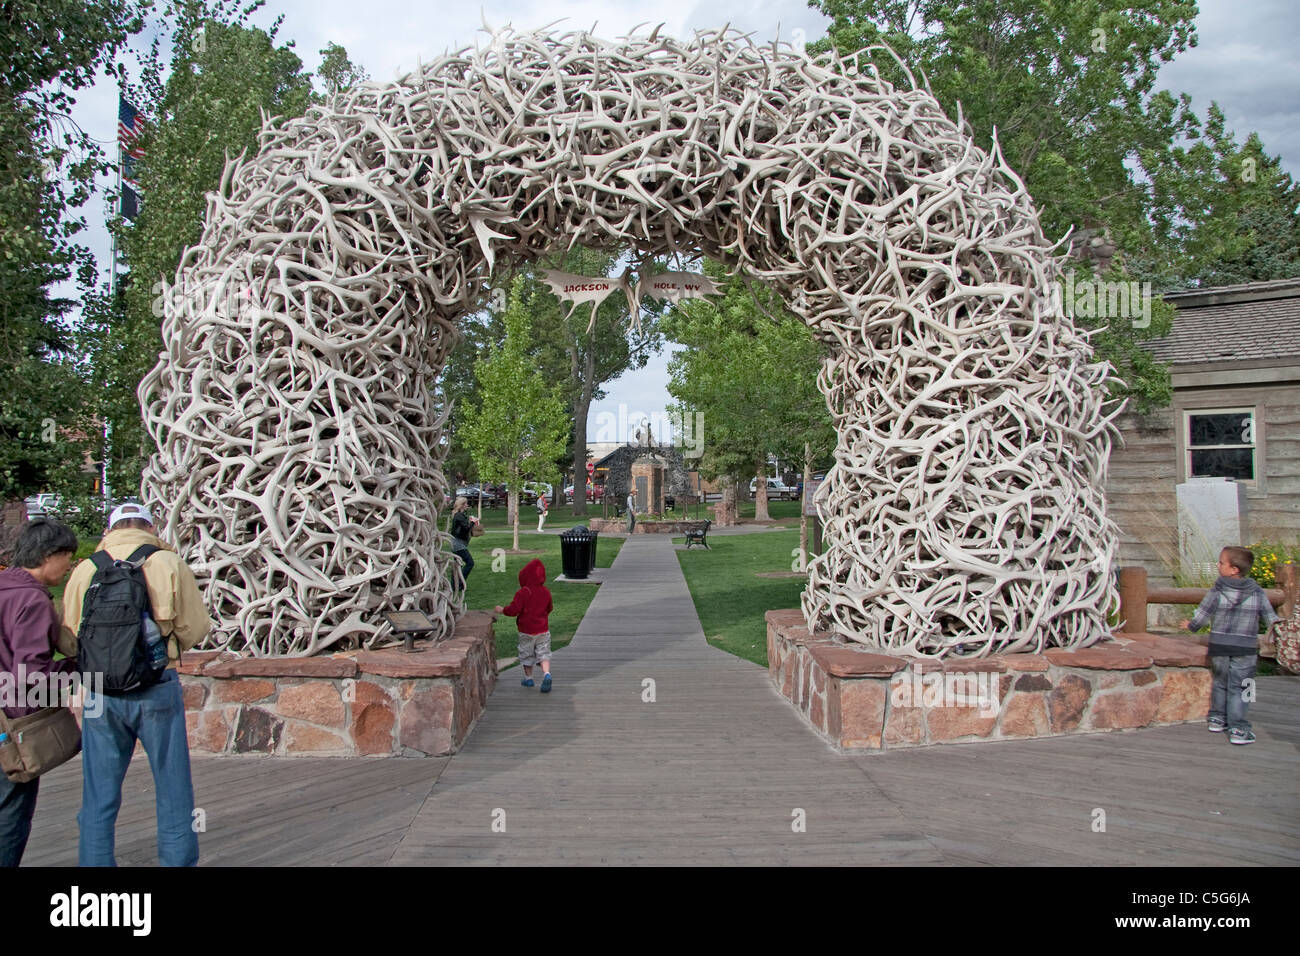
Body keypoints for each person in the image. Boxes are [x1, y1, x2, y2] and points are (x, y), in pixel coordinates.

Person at [60, 502, 212, 866]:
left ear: (110, 530)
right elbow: (197, 627)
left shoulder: (86, 569)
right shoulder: (167, 563)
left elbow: (68, 638)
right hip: (156, 685)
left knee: (99, 793)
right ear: (150, 526)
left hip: (99, 692)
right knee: (173, 788)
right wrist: (165, 646)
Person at [0, 518, 79, 867]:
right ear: (49, 556)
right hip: (13, 726)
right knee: (10, 815)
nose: (70, 566)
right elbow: (31, 675)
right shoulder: (31, 601)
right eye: (68, 557)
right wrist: (76, 670)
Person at [1180, 546, 1277, 746]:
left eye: (1221, 562)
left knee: (1220, 681)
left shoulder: (1217, 590)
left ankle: (1217, 718)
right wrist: (1280, 634)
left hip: (1220, 645)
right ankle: (1239, 728)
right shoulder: (1257, 591)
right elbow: (1270, 617)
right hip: (1246, 648)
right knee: (1242, 687)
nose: (1218, 565)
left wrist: (1192, 626)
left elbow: (1203, 613)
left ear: (1234, 569)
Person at [494, 558, 555, 692]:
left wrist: (502, 610)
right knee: (544, 652)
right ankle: (546, 674)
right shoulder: (546, 591)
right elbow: (549, 608)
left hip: (526, 630)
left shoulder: (523, 593)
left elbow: (514, 610)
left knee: (526, 653)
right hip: (543, 630)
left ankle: (529, 679)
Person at [449, 496, 479, 589]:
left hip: (456, 543)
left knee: (457, 565)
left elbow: (464, 527)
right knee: (470, 563)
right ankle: (460, 583)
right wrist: (473, 522)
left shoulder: (460, 515)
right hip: (458, 544)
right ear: (461, 505)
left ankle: (455, 586)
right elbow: (466, 528)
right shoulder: (459, 516)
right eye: (465, 504)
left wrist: (470, 521)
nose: (467, 505)